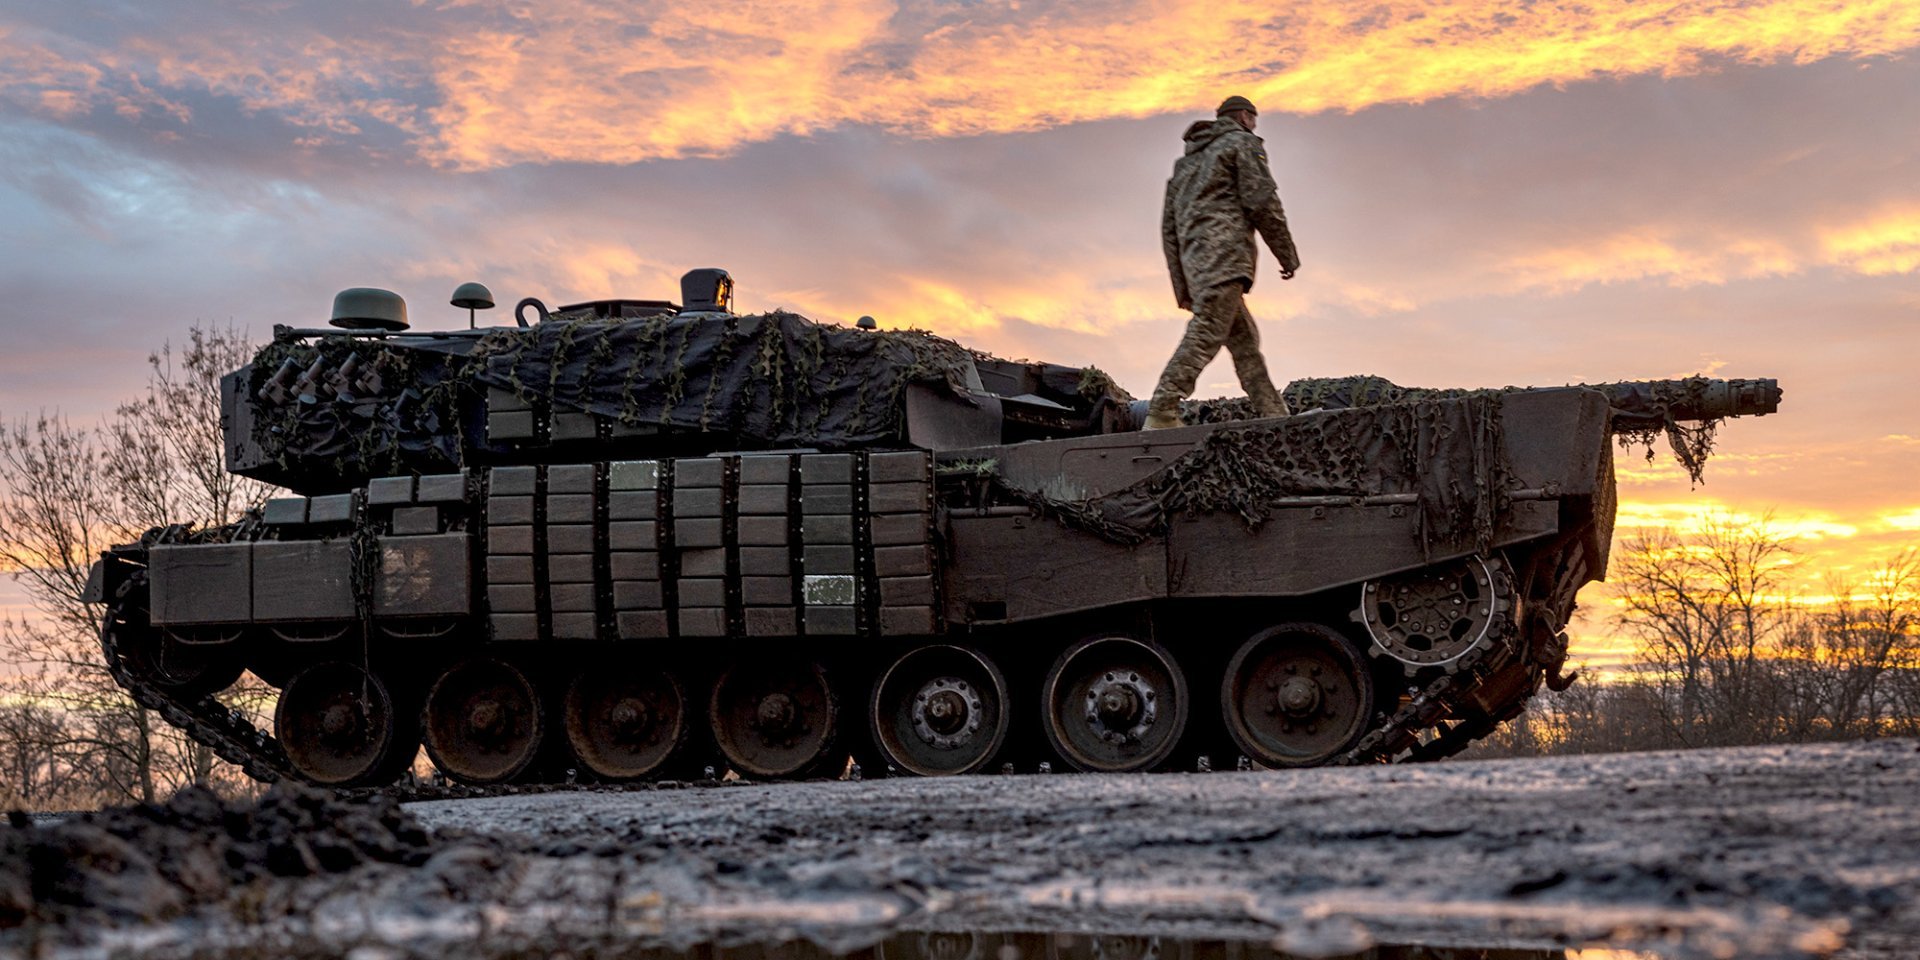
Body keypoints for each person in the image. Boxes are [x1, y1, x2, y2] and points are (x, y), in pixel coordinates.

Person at [1145, 95, 1300, 430]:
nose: (1255, 126)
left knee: (1245, 344)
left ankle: (1275, 417)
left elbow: (1169, 229)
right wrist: (1287, 254)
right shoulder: (1241, 144)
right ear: (1245, 116)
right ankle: (1162, 409)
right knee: (1206, 332)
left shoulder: (1184, 167)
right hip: (1226, 258)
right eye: (1254, 119)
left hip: (1196, 265)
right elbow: (1262, 201)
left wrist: (1183, 286)